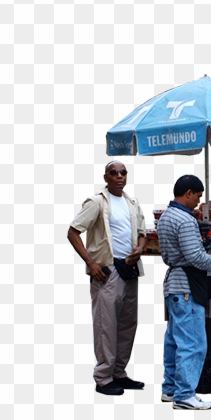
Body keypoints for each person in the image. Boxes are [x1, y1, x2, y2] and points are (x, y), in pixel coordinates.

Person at [68, 160, 147, 396]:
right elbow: (73, 232)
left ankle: (119, 373)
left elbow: (142, 234)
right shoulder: (97, 203)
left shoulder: (132, 203)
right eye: (114, 173)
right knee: (106, 325)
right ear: (106, 177)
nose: (120, 176)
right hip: (107, 271)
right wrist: (91, 263)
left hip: (130, 268)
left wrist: (140, 248)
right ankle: (103, 377)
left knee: (127, 324)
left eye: (123, 172)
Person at [157, 175, 211, 410]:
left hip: (173, 286)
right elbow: (195, 257)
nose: (198, 201)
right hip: (186, 287)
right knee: (193, 343)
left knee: (174, 341)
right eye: (197, 196)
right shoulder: (185, 220)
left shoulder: (166, 216)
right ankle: (185, 394)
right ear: (188, 193)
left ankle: (170, 388)